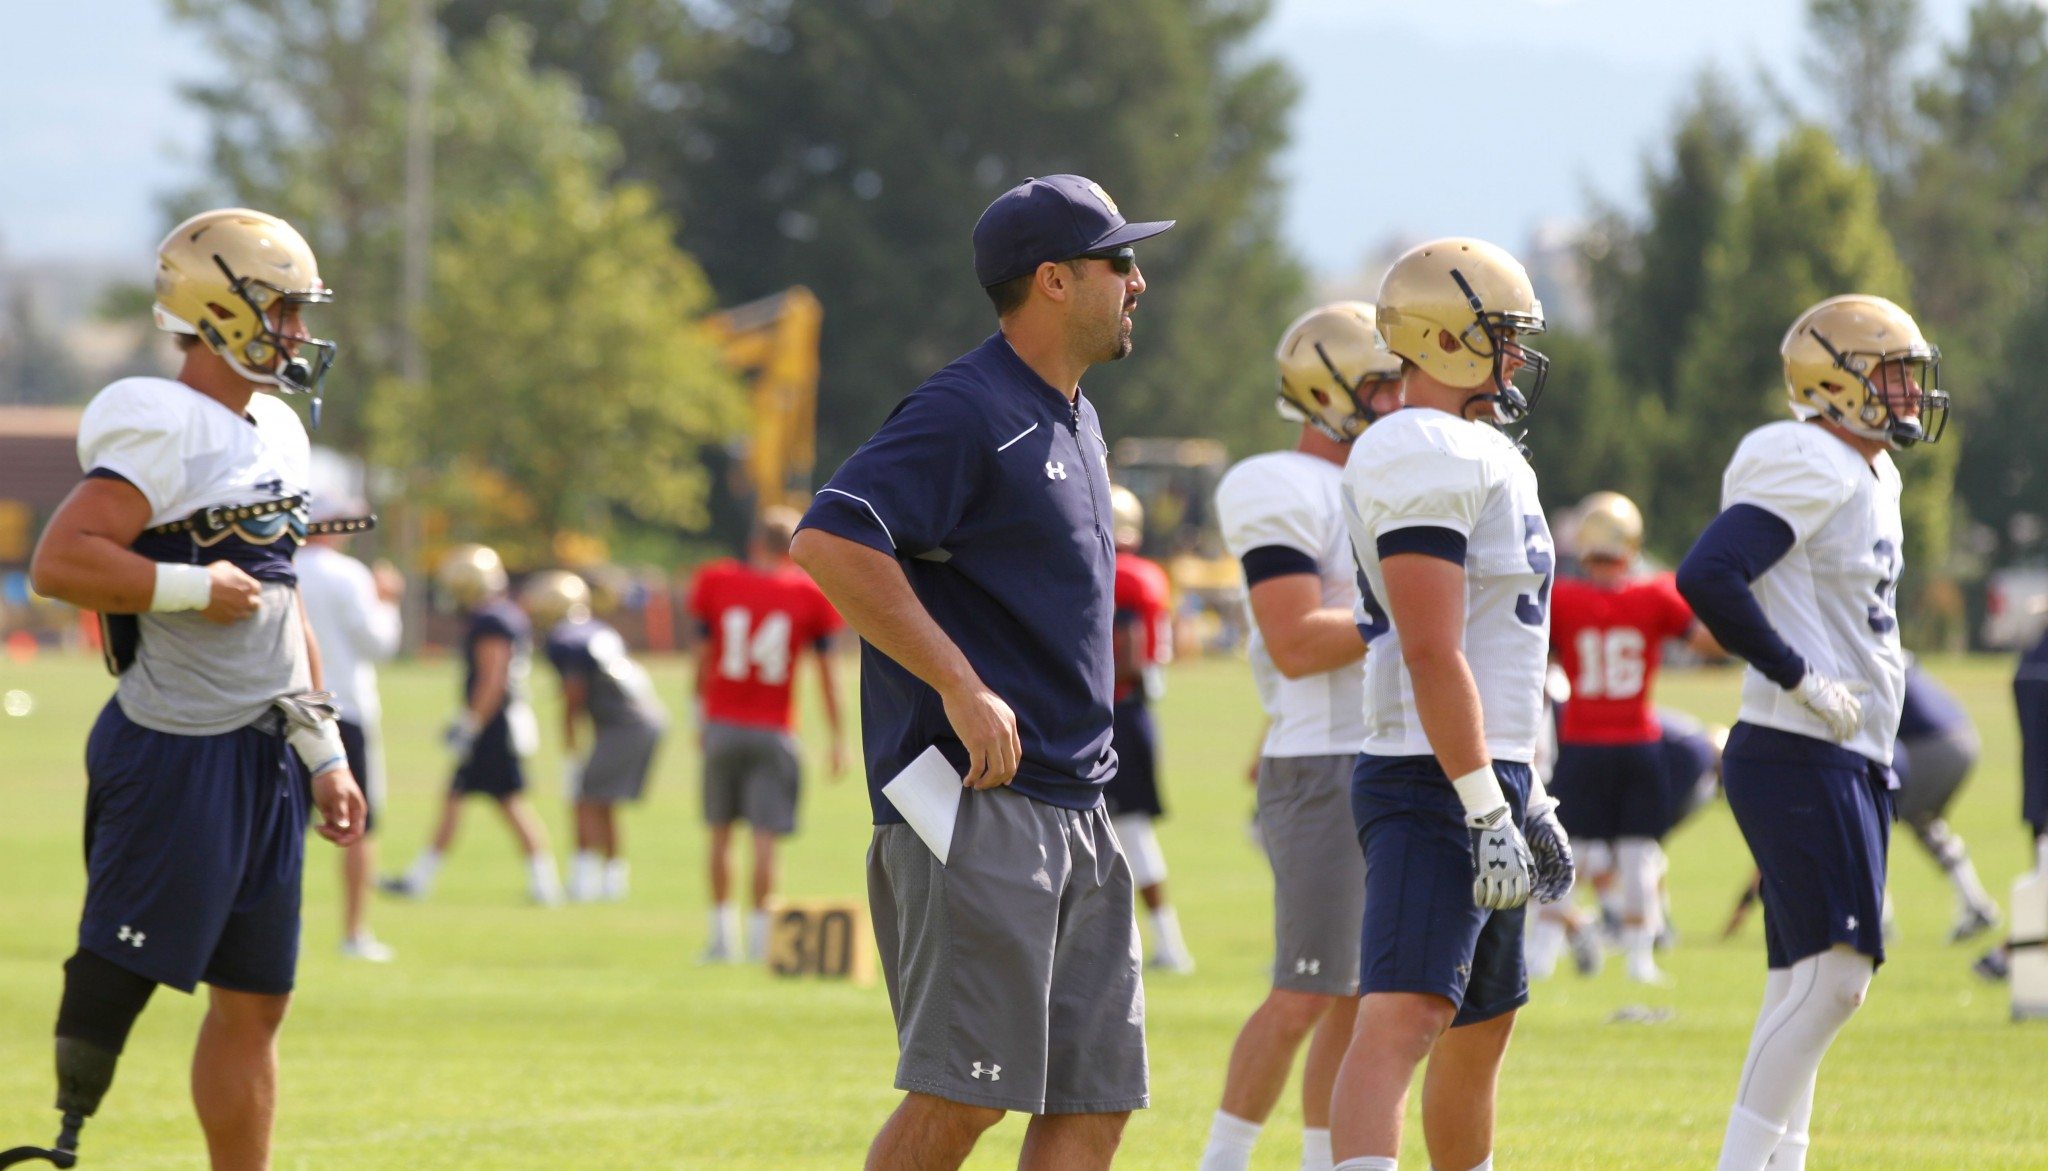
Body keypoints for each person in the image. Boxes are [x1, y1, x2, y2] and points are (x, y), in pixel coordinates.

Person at [790, 173, 1170, 1171]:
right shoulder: (969, 407)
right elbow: (831, 540)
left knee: (1093, 1106)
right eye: (1118, 261)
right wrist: (958, 683)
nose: (1139, 279)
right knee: (961, 1100)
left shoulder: (1073, 415)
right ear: (1051, 280)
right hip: (979, 803)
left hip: (1081, 807)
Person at [13, 208, 366, 1169]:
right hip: (175, 745)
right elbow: (61, 559)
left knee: (258, 998)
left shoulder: (279, 431)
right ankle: (61, 1138)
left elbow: (283, 603)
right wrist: (190, 583)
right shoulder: (163, 421)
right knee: (117, 975)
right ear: (221, 308)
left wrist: (323, 745)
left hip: (262, 748)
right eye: (284, 310)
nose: (297, 332)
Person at [1675, 293, 1948, 1171]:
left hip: (1842, 749)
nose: (1909, 392)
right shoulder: (1808, 457)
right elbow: (1709, 574)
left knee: (1804, 983)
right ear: (1837, 382)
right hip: (1801, 745)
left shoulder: (1872, 471)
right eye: (1893, 373)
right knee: (1836, 982)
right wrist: (1800, 676)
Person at [1328, 238, 1575, 1171]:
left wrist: (1527, 791)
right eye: (1500, 337)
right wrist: (1482, 802)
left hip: (1484, 766)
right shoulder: (1417, 444)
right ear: (1445, 336)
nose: (1515, 359)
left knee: (1482, 1027)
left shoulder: (1477, 452)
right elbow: (1432, 647)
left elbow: (1496, 645)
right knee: (1403, 1017)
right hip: (1430, 772)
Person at [1199, 301, 1401, 1171]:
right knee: (1302, 991)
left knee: (1358, 997)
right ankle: (1222, 1159)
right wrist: (1412, 611)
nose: (1401, 400)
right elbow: (1293, 638)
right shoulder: (1277, 482)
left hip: (1385, 752)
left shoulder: (1388, 480)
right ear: (1328, 391)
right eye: (1382, 383)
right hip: (1320, 758)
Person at [1545, 490, 1720, 984]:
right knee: (1639, 852)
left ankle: (1543, 949)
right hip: (1637, 740)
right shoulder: (1656, 593)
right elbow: (1709, 643)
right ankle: (1641, 957)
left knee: (1568, 850)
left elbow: (1542, 655)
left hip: (1580, 740)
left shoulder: (1562, 597)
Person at [686, 508, 845, 960]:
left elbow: (701, 657)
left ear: (754, 541)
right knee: (764, 838)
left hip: (721, 722)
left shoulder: (716, 580)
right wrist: (837, 738)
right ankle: (760, 943)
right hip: (774, 728)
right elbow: (827, 676)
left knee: (719, 832)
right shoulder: (807, 593)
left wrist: (697, 714)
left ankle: (721, 939)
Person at [383, 543, 563, 905]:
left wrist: (470, 723)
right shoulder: (505, 614)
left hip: (492, 726)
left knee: (504, 802)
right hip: (497, 722)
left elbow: (492, 679)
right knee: (473, 800)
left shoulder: (492, 619)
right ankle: (422, 878)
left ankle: (545, 883)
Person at [296, 495, 404, 960]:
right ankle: (355, 933)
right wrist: (389, 601)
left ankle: (278, 930)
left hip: (289, 706)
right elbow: (380, 643)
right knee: (359, 825)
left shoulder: (282, 565)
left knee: (282, 827)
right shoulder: (349, 575)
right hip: (344, 711)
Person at [529, 569, 669, 903]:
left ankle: (584, 881)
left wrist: (569, 745)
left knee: (585, 798)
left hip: (626, 725)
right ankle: (611, 880)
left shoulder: (565, 640)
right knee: (601, 801)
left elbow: (574, 694)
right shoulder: (598, 630)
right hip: (643, 719)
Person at [1104, 484, 1195, 975]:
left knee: (1130, 832)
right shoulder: (1150, 573)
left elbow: (1130, 652)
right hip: (1136, 712)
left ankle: (1167, 944)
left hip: (1115, 713)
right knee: (1125, 833)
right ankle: (1157, 943)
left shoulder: (1118, 575)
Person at [1892, 663, 1999, 942]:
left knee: (1866, 817)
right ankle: (1976, 904)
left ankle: (1875, 919)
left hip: (1934, 745)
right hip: (1963, 736)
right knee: (1923, 823)